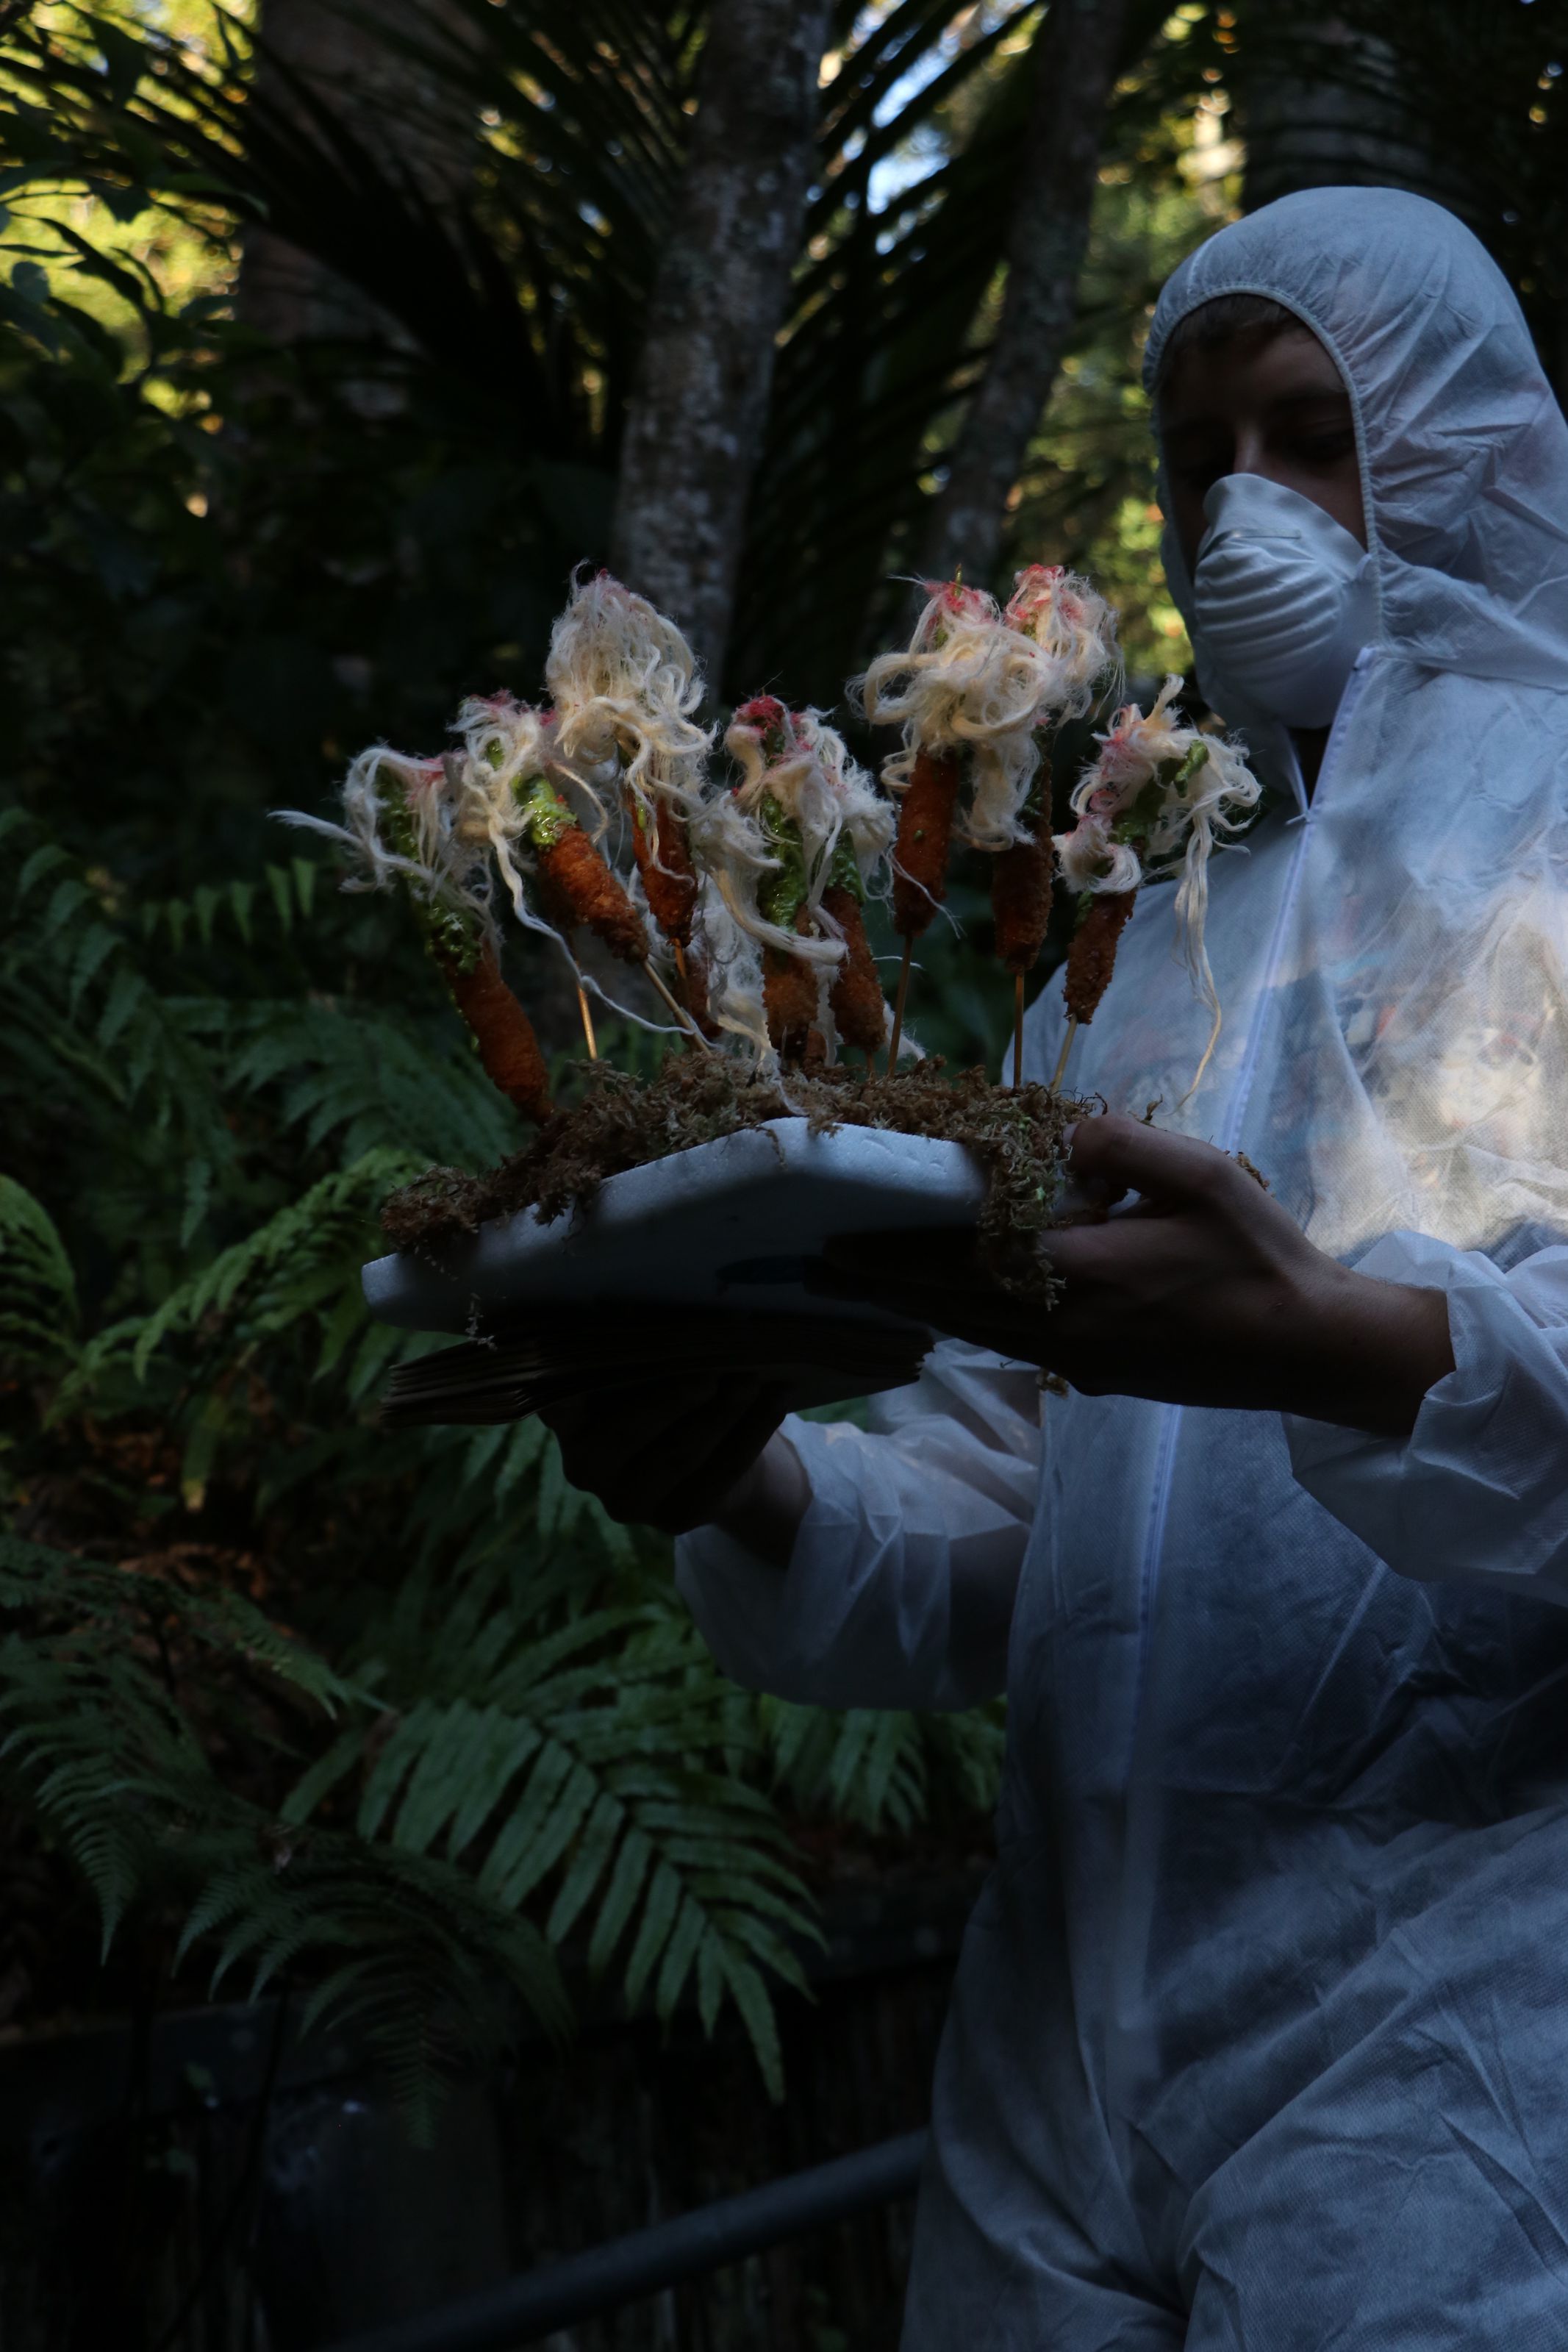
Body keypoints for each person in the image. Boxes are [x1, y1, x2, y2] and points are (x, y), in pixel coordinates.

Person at [546, 188, 1568, 2344]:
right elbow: (1028, 1485)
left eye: (1314, 435)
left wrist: (1333, 1346)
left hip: (1461, 2041)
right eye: (1202, 460)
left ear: (1469, 446)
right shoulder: (1148, 932)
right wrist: (742, 1468)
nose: (1242, 513)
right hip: (1054, 2041)